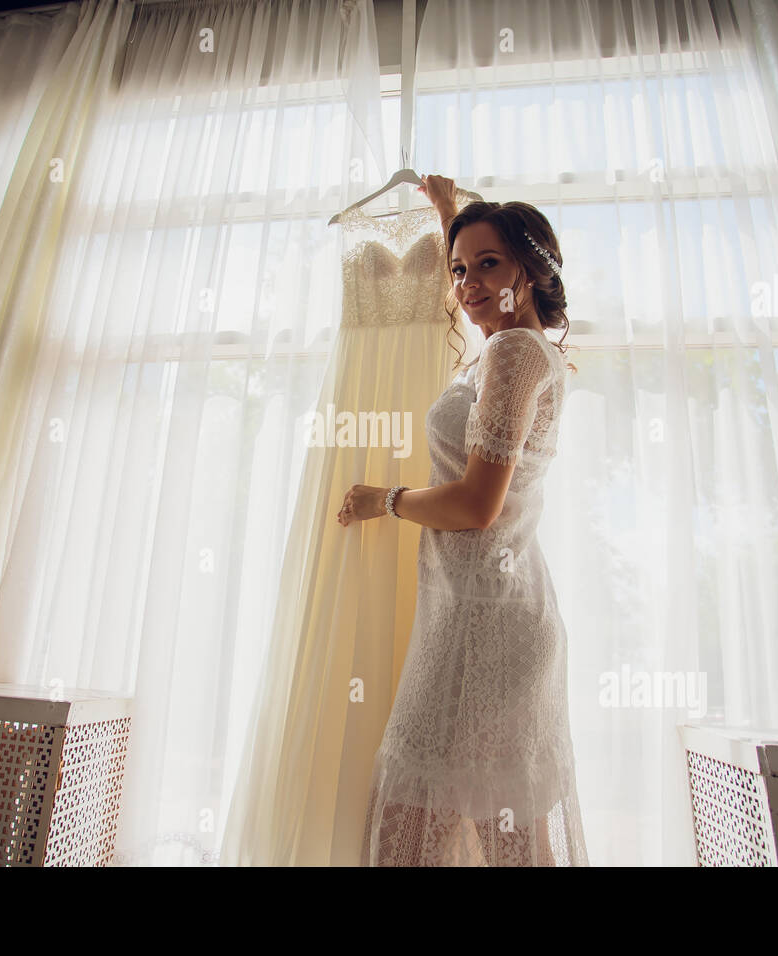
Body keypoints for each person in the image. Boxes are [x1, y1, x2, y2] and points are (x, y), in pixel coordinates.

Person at [338, 175, 588, 866]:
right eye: (458, 269)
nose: (469, 284)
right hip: (476, 615)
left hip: (489, 628)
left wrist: (383, 501)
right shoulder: (514, 350)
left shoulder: (513, 352)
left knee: (420, 840)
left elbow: (477, 505)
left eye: (489, 265)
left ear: (532, 272)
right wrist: (451, 217)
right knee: (494, 839)